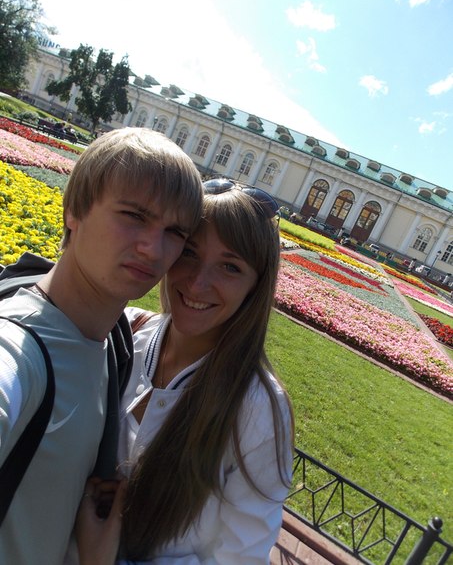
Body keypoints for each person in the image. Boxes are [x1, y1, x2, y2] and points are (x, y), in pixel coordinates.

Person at [0, 127, 203, 565]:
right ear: (74, 210)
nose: (153, 248)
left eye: (175, 232)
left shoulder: (111, 341)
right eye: (134, 215)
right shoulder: (17, 346)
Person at [75, 177, 295, 564]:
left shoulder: (259, 408)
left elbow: (240, 558)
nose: (197, 282)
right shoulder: (124, 331)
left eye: (230, 267)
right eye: (190, 253)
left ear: (255, 286)